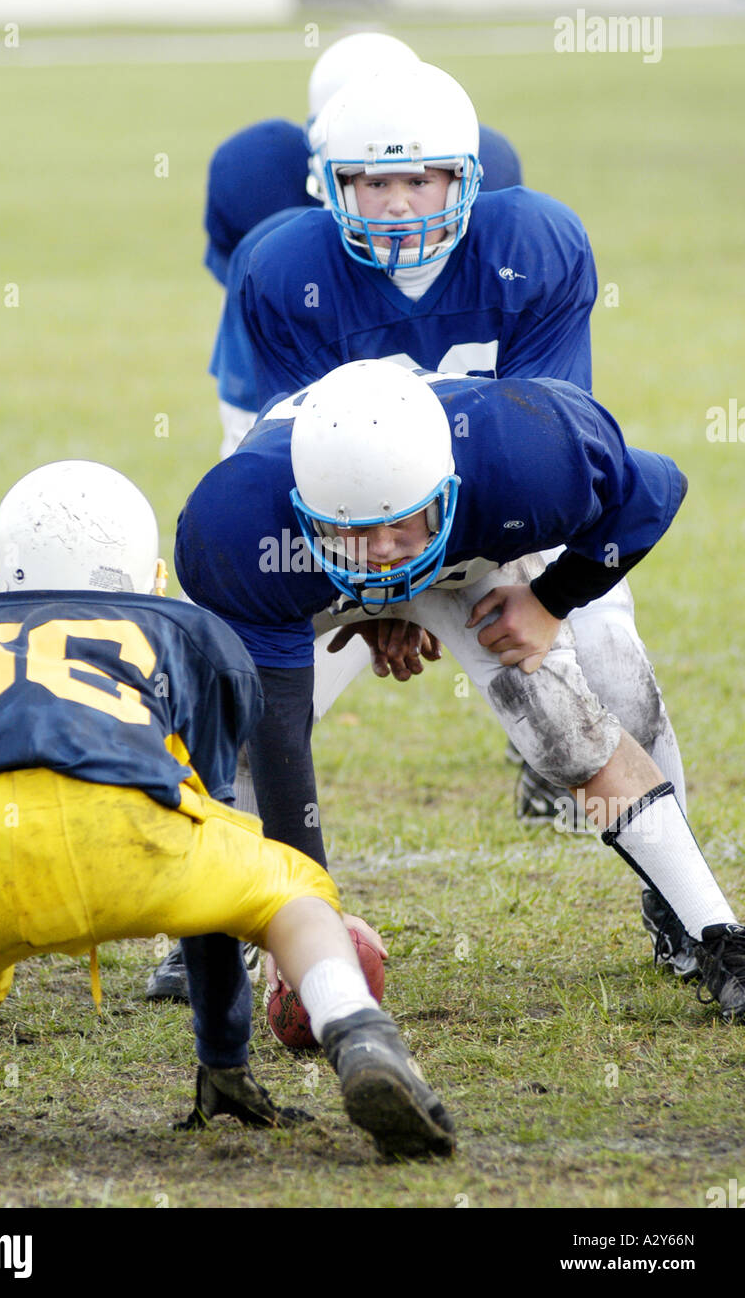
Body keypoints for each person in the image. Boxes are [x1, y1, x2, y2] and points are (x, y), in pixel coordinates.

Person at [202, 60, 694, 983]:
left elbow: (552, 433)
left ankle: (680, 908)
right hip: (350, 532)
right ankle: (227, 913)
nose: (394, 202)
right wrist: (379, 590)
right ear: (328, 182)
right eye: (370, 180)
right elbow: (299, 453)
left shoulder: (529, 244)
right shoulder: (286, 266)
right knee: (238, 701)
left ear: (466, 177)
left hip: (502, 515)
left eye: (417, 176)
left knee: (617, 683)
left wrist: (546, 598)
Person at [0, 459, 455, 1158]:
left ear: (1, 578)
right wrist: (224, 1058)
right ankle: (359, 1033)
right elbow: (206, 829)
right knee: (300, 896)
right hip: (129, 829)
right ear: (150, 576)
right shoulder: (187, 631)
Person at [172, 362, 745, 1043]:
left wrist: (550, 599)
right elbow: (280, 733)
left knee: (566, 728)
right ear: (306, 510)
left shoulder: (525, 456)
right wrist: (305, 923)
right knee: (232, 739)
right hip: (309, 575)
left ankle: (719, 934)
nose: (382, 555)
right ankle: (226, 930)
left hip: (467, 554)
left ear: (448, 488)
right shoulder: (239, 525)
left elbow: (653, 489)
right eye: (359, 533)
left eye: (401, 527)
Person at [204, 33, 523, 458]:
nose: (398, 204)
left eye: (418, 180)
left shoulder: (497, 203)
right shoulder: (274, 241)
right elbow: (254, 422)